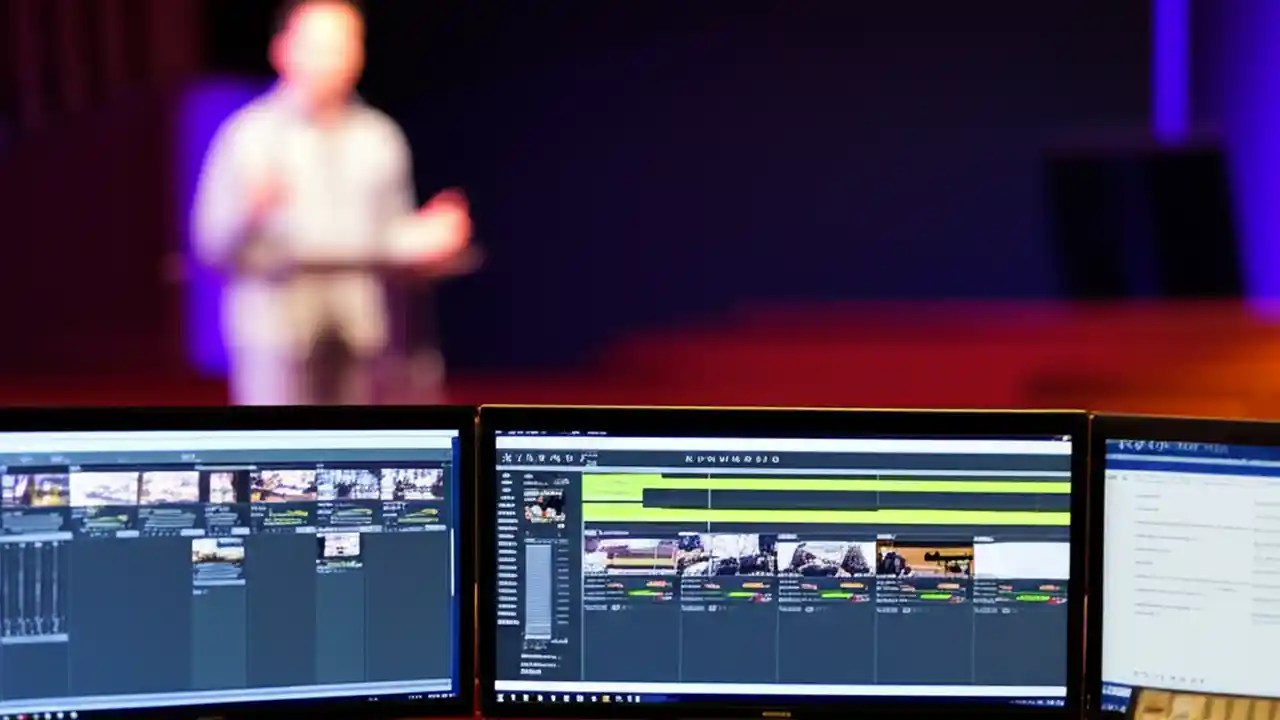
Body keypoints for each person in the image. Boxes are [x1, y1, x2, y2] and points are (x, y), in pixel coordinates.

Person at [192, 0, 471, 405]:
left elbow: (384, 237)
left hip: (359, 334)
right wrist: (248, 212)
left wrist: (428, 235)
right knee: (280, 457)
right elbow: (209, 244)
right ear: (283, 50)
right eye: (319, 45)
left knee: (358, 453)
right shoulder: (248, 135)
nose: (333, 58)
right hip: (277, 338)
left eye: (345, 44)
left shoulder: (379, 136)